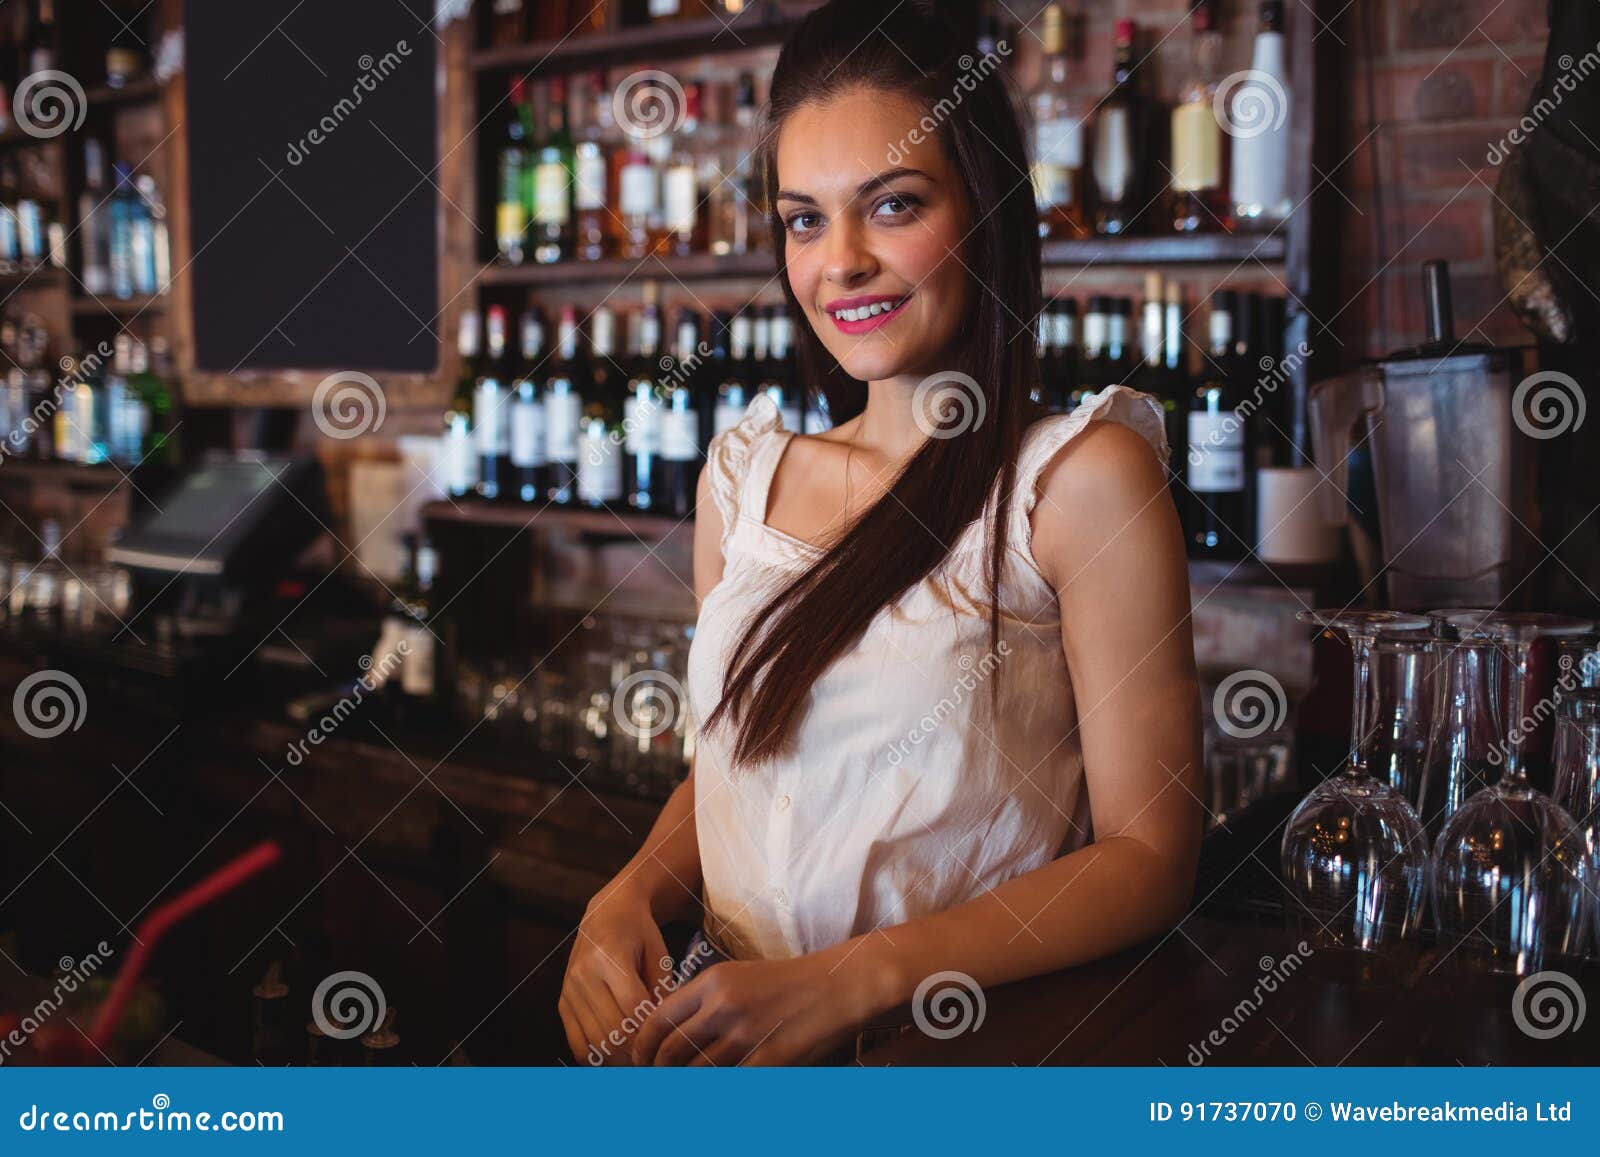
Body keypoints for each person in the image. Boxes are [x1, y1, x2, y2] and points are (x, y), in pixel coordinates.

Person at [560, 0, 1202, 1066]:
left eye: (891, 205)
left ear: (984, 208)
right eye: (804, 219)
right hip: (729, 1060)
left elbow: (1151, 853)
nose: (840, 261)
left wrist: (852, 979)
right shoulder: (743, 479)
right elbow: (740, 758)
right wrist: (627, 893)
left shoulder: (1077, 479)